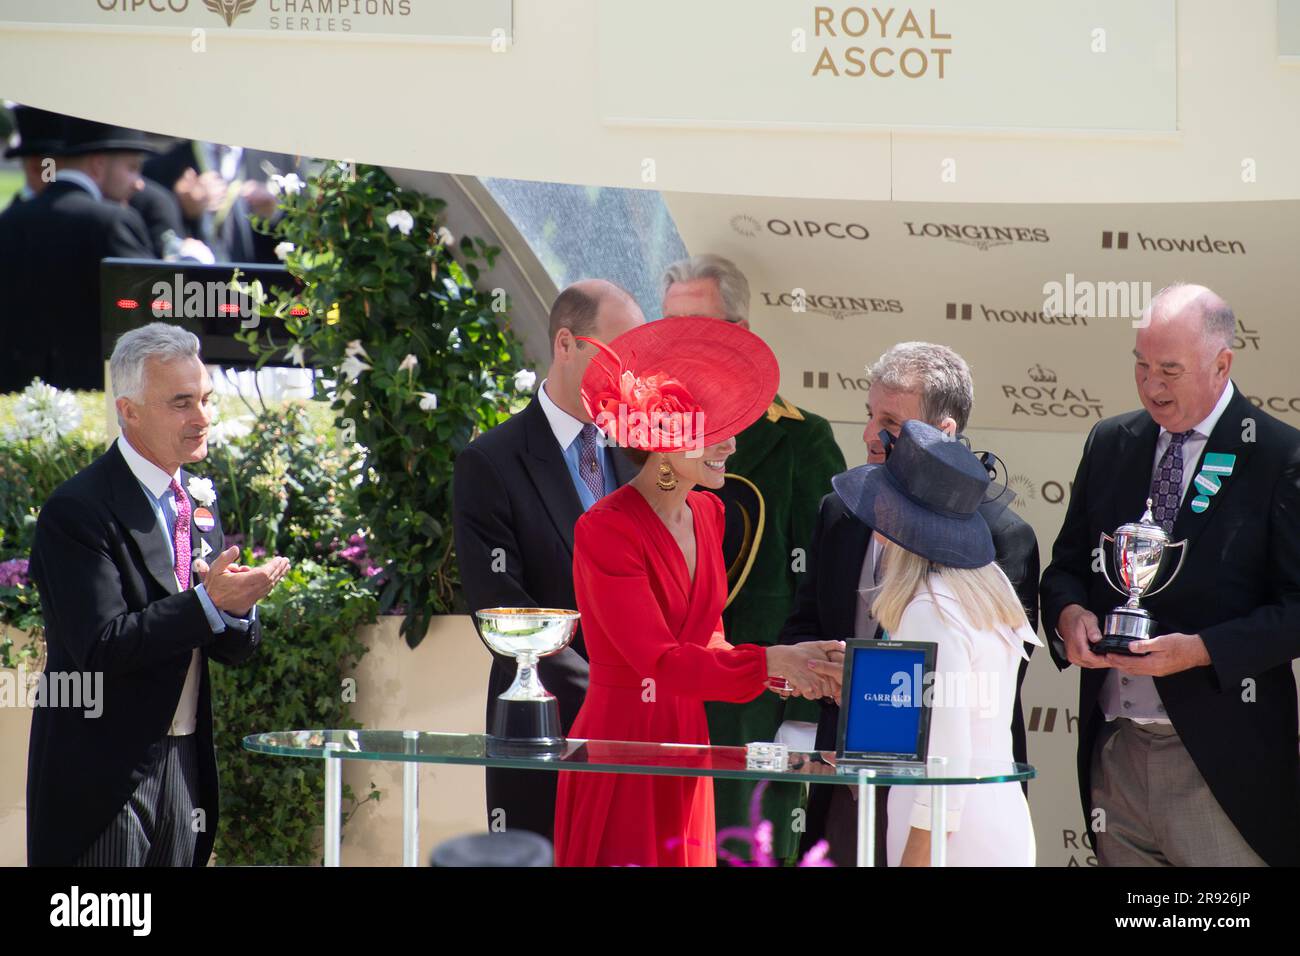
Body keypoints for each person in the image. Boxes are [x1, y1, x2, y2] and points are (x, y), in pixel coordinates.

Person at [552, 316, 844, 867]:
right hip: (625, 746)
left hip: (689, 738)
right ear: (665, 441)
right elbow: (658, 661)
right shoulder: (605, 528)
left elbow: (706, 644)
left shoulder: (709, 513)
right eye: (715, 432)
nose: (731, 444)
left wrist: (793, 667)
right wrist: (769, 663)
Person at [1040, 283, 1300, 867]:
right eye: (1140, 365)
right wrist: (1069, 615)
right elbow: (1066, 566)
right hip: (1116, 750)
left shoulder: (1279, 457)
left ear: (1222, 363)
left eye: (1170, 370)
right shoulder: (1111, 442)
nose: (1152, 386)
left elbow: (1297, 609)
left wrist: (1202, 650)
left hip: (1219, 758)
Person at [26, 323, 290, 866]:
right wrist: (208, 605)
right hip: (104, 777)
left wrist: (237, 610)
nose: (202, 418)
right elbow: (101, 645)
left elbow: (231, 648)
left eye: (205, 399)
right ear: (129, 410)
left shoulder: (195, 501)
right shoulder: (77, 511)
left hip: (184, 764)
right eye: (181, 402)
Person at [779, 341, 1039, 865]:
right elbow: (805, 620)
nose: (871, 435)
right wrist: (809, 668)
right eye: (870, 416)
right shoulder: (838, 515)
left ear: (940, 434)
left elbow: (959, 721)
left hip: (939, 814)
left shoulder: (965, 576)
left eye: (891, 424)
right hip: (857, 788)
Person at [660, 253, 845, 859]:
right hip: (660, 708)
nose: (677, 345)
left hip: (761, 714)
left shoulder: (800, 439)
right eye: (669, 328)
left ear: (740, 337)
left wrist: (808, 715)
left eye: (697, 327)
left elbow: (831, 587)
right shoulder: (638, 441)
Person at [452, 280, 646, 841]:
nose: (628, 375)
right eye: (617, 356)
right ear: (567, 344)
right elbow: (505, 616)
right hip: (544, 730)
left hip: (638, 736)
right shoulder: (491, 461)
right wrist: (612, 698)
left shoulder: (640, 454)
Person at [832, 419, 1039, 866]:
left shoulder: (930, 608)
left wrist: (918, 855)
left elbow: (947, 758)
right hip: (995, 816)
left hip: (949, 837)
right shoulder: (986, 586)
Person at [0, 116, 155, 393]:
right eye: (132, 167)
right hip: (91, 398)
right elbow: (153, 309)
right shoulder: (112, 222)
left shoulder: (8, 220)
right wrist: (191, 263)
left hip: (13, 400)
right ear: (98, 164)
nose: (138, 183)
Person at [142, 139, 301, 263]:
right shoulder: (162, 166)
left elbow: (307, 235)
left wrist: (275, 214)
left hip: (261, 295)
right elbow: (155, 242)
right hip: (192, 294)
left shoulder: (281, 158)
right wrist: (182, 209)